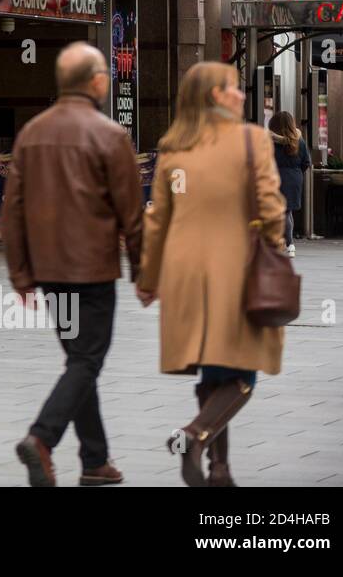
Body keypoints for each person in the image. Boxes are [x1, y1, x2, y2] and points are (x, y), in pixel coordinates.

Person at [138, 62, 287, 488]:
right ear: (216, 95)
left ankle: (218, 470)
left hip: (184, 273)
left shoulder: (173, 148)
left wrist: (148, 278)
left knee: (214, 371)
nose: (241, 95)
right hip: (236, 269)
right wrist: (274, 249)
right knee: (243, 374)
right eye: (235, 89)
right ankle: (194, 435)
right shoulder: (250, 140)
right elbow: (271, 204)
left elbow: (158, 219)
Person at [3, 43, 142, 488]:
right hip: (94, 269)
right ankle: (41, 438)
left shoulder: (31, 133)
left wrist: (21, 275)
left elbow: (13, 211)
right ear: (97, 81)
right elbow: (132, 216)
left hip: (49, 272)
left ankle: (95, 460)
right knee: (86, 361)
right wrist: (144, 273)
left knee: (80, 362)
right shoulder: (110, 135)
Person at [268, 111, 310, 255]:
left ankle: (289, 243)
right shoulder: (299, 141)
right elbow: (306, 162)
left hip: (276, 177)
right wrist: (296, 173)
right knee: (287, 211)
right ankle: (285, 242)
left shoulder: (270, 141)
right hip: (295, 178)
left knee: (280, 211)